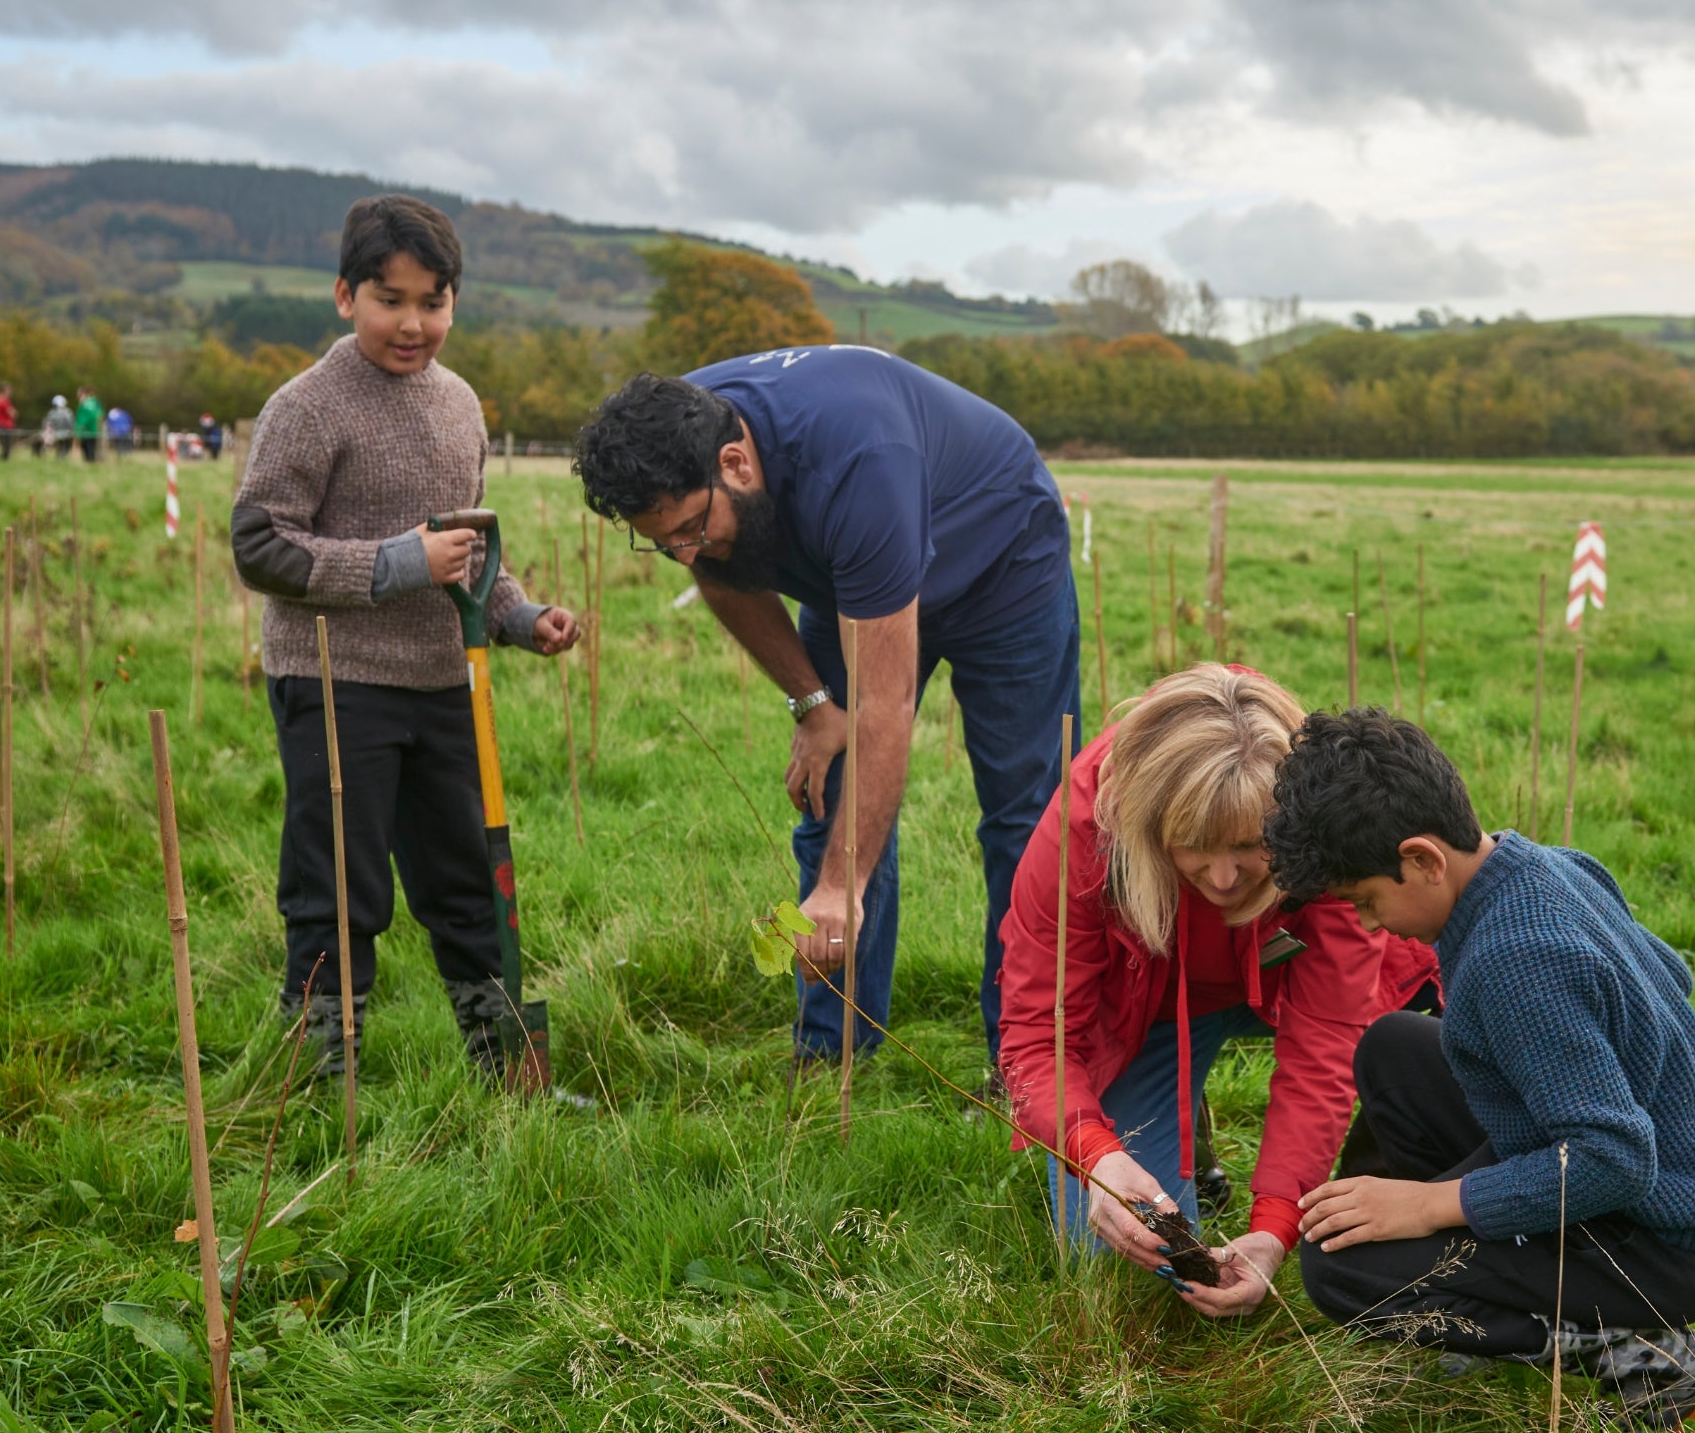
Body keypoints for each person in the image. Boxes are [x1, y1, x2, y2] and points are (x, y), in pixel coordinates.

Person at [573, 351, 1075, 1076]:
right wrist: (812, 705)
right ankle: (835, 1049)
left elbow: (884, 701)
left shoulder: (857, 462)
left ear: (737, 462)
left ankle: (1027, 1058)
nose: (681, 553)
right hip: (857, 569)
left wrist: (844, 883)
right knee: (832, 789)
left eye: (688, 526)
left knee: (1028, 818)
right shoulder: (682, 432)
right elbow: (722, 570)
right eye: (660, 541)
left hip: (1001, 561)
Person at [1264, 710, 1695, 1431]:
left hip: (1663, 1238)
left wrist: (1430, 1207)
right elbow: (1671, 973)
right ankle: (1478, 1284)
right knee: (1395, 1049)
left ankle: (1644, 1352)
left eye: (1368, 901)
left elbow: (1614, 1158)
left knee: (1339, 1271)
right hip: (1677, 1166)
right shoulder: (1540, 862)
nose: (1373, 925)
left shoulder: (1514, 961)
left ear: (1424, 858)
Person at [230, 193, 582, 1091]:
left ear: (455, 301)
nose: (413, 323)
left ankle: (505, 1066)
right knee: (339, 884)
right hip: (334, 680)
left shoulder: (461, 404)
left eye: (434, 301)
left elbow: (467, 554)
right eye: (391, 299)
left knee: (468, 878)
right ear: (346, 296)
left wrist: (518, 615)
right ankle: (319, 1078)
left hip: (441, 684)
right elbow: (260, 544)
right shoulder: (307, 407)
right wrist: (395, 563)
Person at [997, 666, 1437, 1317]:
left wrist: (1274, 1227)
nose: (1225, 876)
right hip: (1150, 1002)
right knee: (1127, 1267)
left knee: (1409, 1040)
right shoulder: (1089, 827)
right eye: (1196, 847)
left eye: (1249, 846)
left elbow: (1325, 1043)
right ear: (1150, 824)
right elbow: (1037, 1034)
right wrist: (1095, 1156)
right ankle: (1177, 1108)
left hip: (1286, 977)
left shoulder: (1323, 820)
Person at [72, 387, 102, 463]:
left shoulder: (87, 404)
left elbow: (84, 419)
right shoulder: (94, 402)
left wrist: (79, 428)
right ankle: (90, 462)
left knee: (89, 447)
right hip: (91, 430)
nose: (77, 397)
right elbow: (100, 413)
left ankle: (90, 463)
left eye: (79, 395)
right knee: (88, 447)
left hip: (88, 430)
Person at [0, 383, 18, 461]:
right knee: (7, 445)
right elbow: (12, 413)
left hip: (0, 424)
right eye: (8, 390)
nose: (10, 392)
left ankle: (3, 460)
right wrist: (14, 413)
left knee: (4, 444)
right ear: (3, 391)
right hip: (6, 425)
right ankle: (4, 460)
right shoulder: (3, 401)